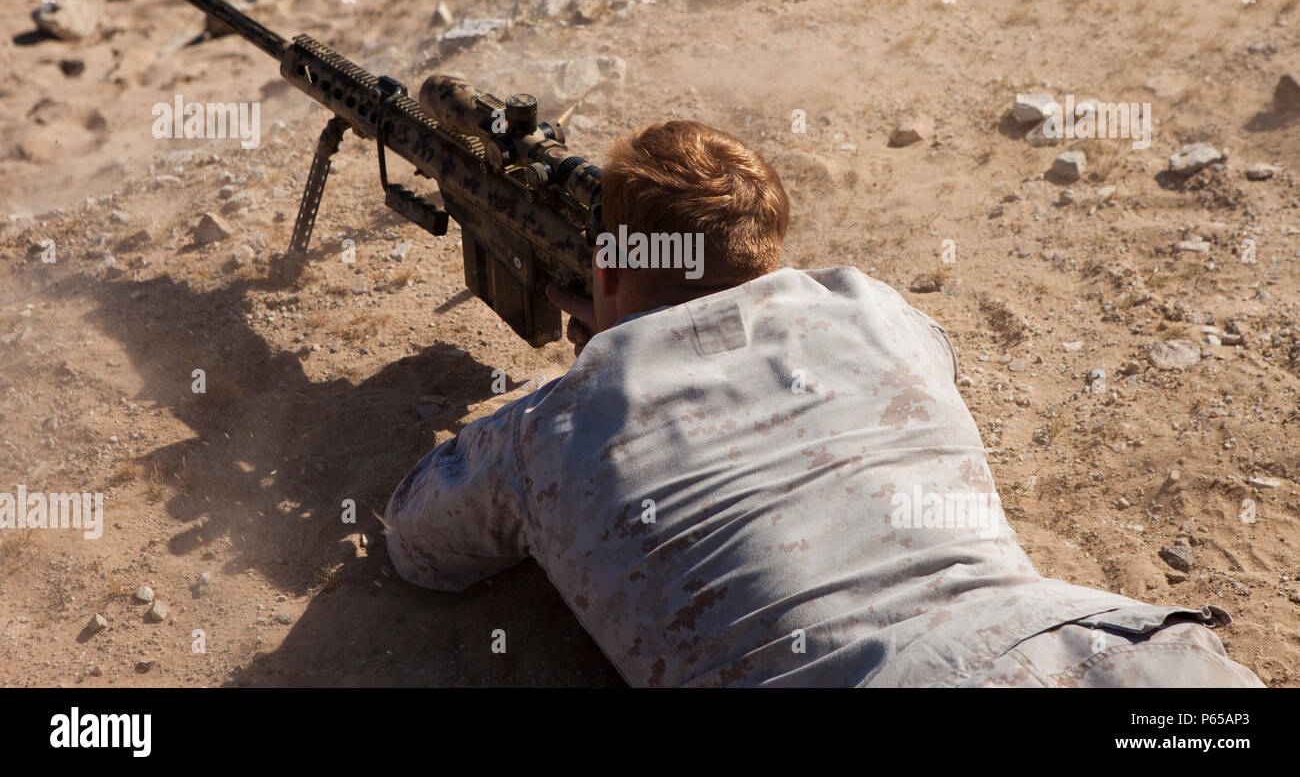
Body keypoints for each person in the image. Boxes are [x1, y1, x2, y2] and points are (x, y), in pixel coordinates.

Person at [383, 121, 1263, 687]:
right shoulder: (878, 315)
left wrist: (582, 379)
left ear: (606, 271)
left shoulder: (545, 435)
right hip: (1123, 660)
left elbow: (421, 551)